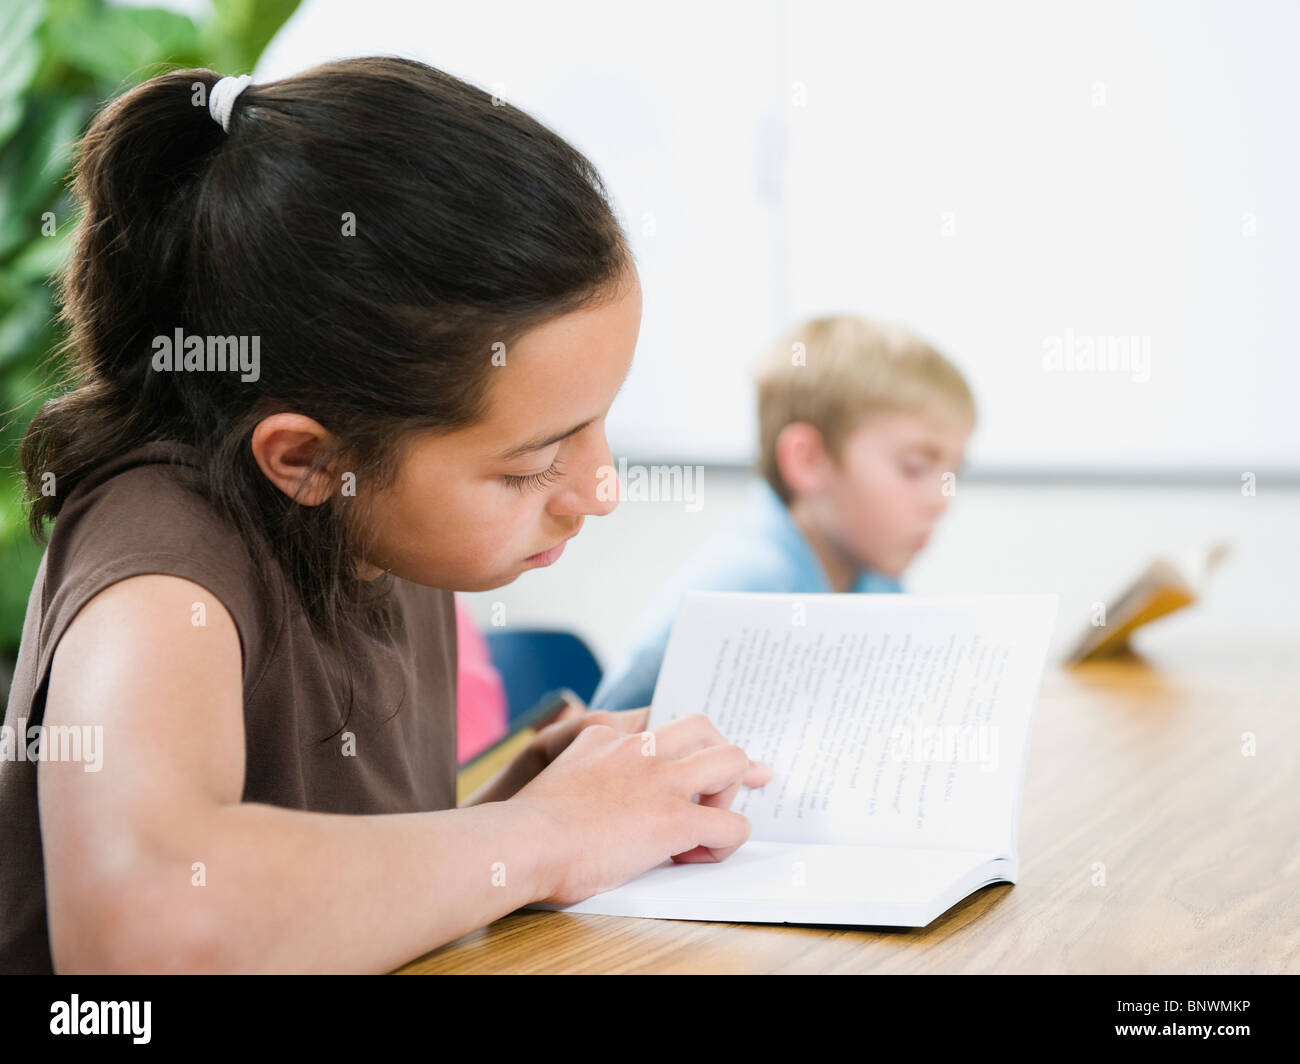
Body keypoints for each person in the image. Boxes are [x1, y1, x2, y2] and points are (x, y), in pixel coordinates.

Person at [0, 57, 771, 974]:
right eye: (532, 464)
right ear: (311, 459)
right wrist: (547, 833)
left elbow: (325, 903)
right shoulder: (159, 567)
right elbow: (149, 926)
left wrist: (519, 809)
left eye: (600, 425)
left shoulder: (374, 528)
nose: (599, 490)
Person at [592, 314, 975, 711]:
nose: (942, 499)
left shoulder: (874, 578)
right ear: (808, 461)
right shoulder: (747, 588)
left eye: (953, 473)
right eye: (914, 466)